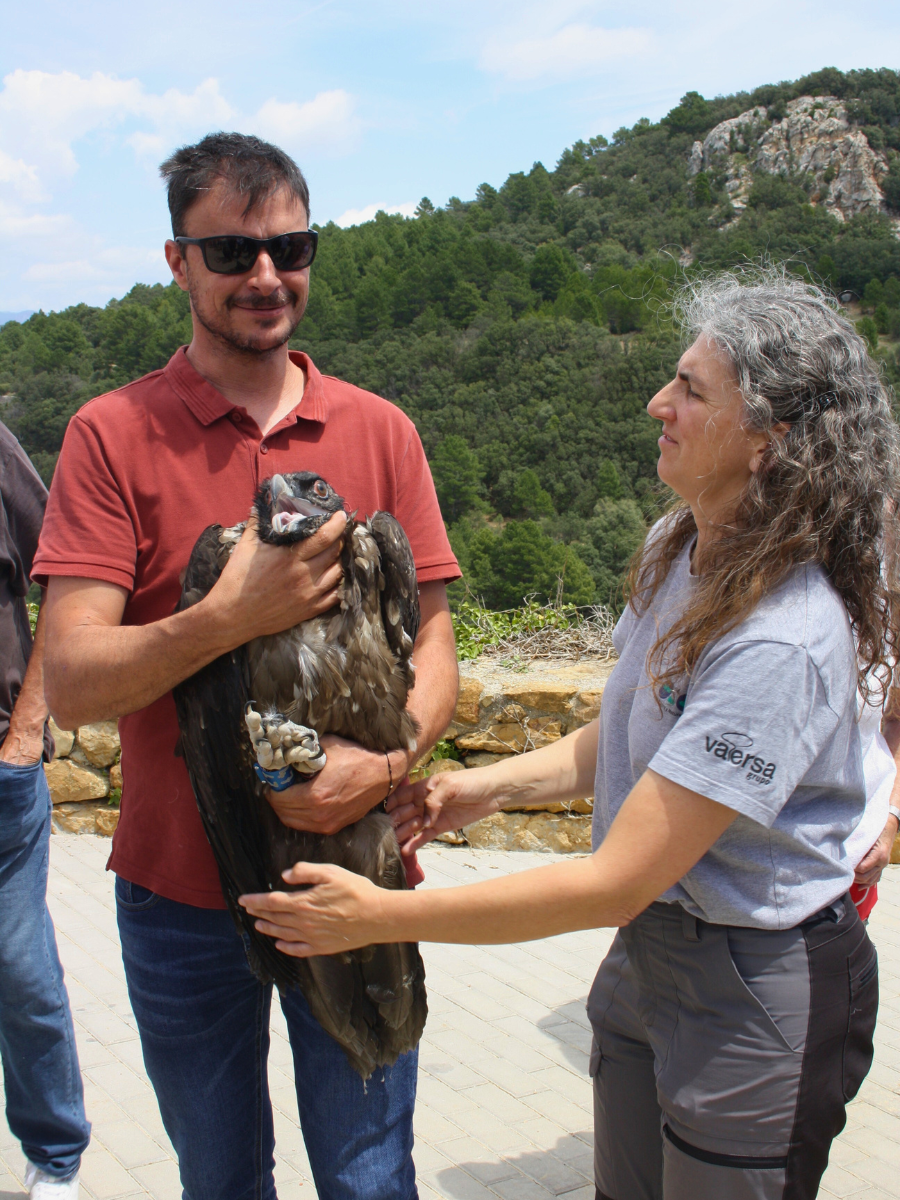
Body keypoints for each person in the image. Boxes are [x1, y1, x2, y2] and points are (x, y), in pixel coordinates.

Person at [241, 271, 900, 1199]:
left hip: (754, 983)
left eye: (692, 390)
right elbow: (629, 736)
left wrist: (379, 916)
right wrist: (483, 790)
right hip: (649, 960)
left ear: (770, 442)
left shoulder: (783, 640)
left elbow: (614, 879)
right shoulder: (683, 545)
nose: (656, 403)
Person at [35, 133, 460, 1200]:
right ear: (177, 261)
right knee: (221, 1180)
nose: (266, 277)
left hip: (356, 874)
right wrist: (230, 616)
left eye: (289, 248)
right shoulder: (110, 435)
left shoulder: (381, 430)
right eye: (230, 253)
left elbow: (436, 643)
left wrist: (392, 756)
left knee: (371, 1178)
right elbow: (75, 684)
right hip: (181, 895)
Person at [0, 422, 90, 1199]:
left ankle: (55, 1154)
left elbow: (61, 575)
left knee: (19, 973)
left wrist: (26, 733)